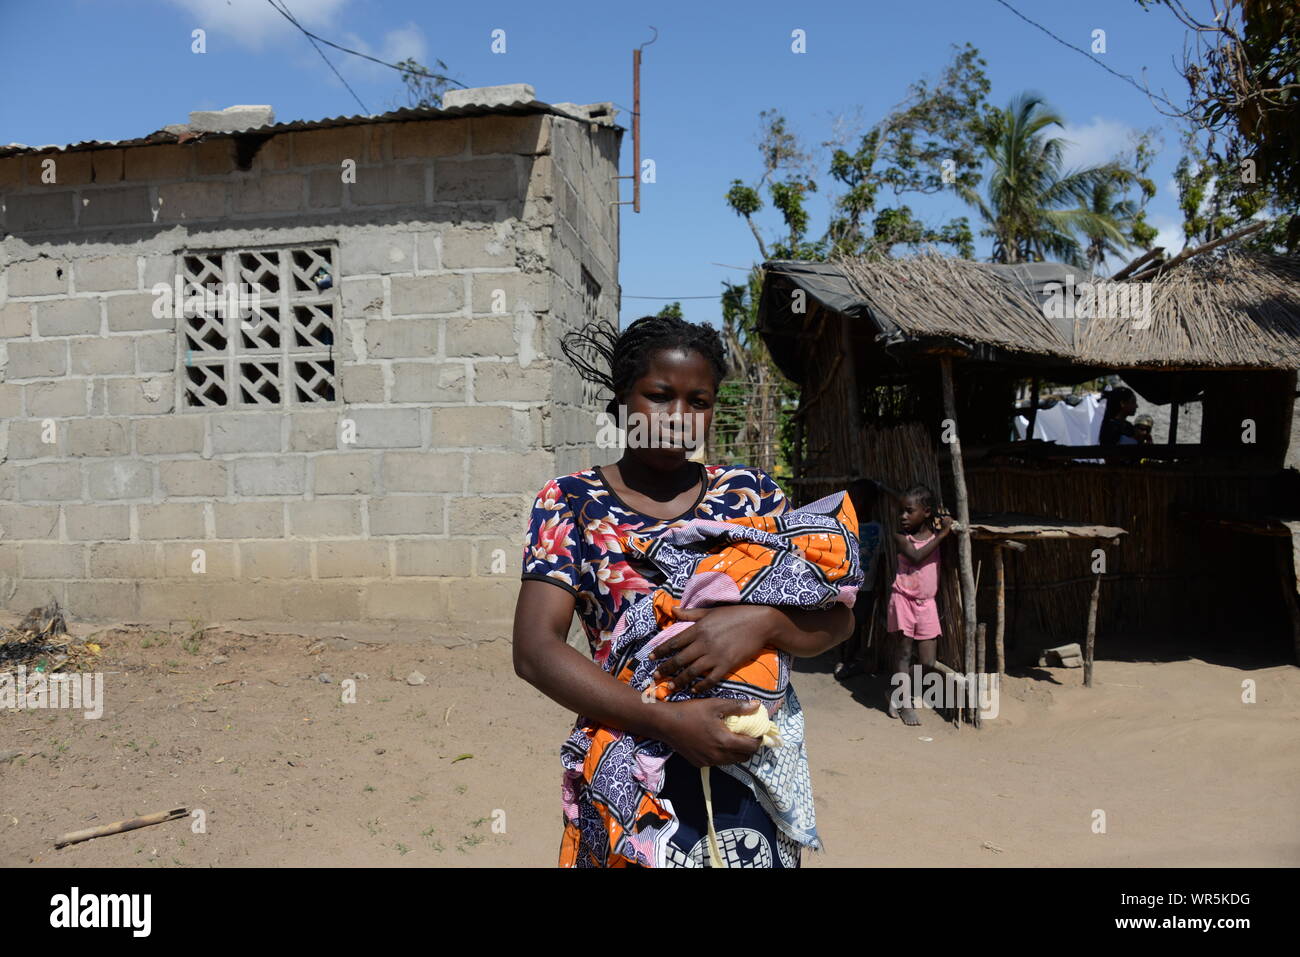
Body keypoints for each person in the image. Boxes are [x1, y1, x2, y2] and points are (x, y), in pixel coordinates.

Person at [513, 314, 854, 868]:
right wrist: (663, 720)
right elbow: (534, 649)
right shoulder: (571, 501)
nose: (678, 417)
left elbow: (837, 620)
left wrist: (764, 624)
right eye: (659, 395)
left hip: (746, 761)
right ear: (621, 399)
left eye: (699, 401)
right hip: (629, 756)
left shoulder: (751, 496)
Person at [886, 485, 952, 727]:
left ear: (925, 512)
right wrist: (943, 534)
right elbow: (915, 556)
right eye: (901, 511)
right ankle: (905, 704)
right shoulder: (901, 536)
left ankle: (897, 691)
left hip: (927, 604)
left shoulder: (935, 535)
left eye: (908, 511)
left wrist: (943, 530)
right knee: (903, 653)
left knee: (927, 661)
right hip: (903, 600)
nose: (902, 516)